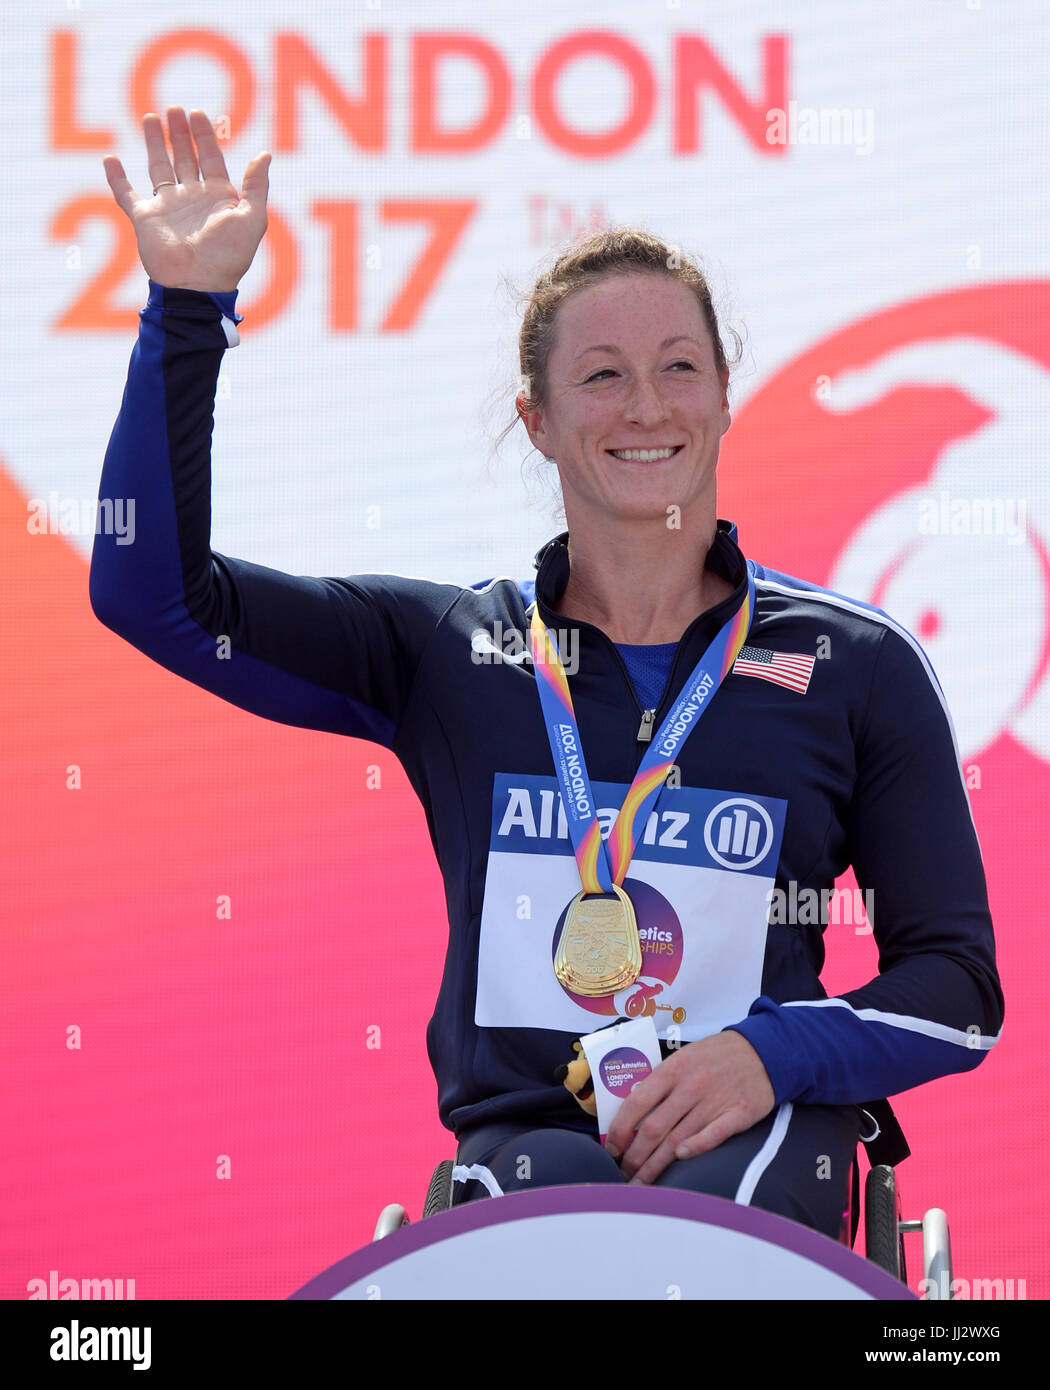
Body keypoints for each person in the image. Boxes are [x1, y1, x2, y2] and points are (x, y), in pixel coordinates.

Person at [93, 107, 1004, 1242]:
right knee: (545, 1203)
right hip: (532, 1154)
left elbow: (958, 990)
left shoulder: (852, 664)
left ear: (724, 393)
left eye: (679, 368)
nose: (647, 407)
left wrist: (773, 1051)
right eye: (602, 376)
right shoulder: (446, 650)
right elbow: (152, 596)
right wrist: (188, 310)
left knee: (720, 1207)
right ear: (536, 418)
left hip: (769, 1143)